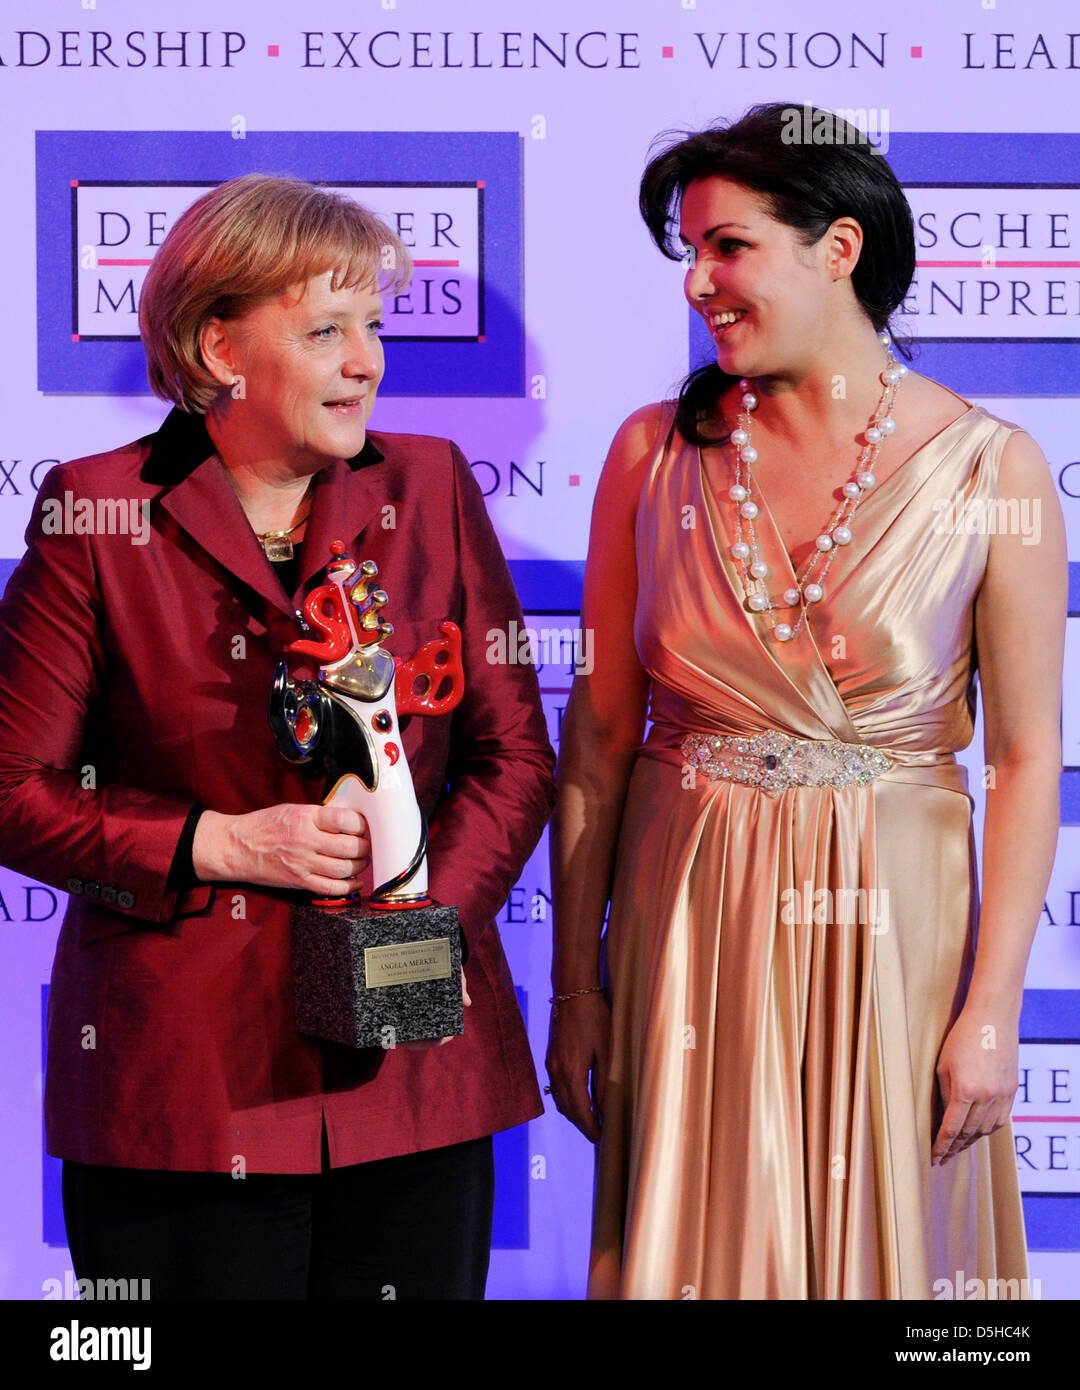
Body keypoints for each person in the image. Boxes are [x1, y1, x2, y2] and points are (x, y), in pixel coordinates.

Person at [0, 174, 555, 1299]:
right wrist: (220, 842)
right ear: (219, 348)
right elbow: (16, 789)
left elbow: (514, 758)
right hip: (187, 1091)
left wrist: (415, 914)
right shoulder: (96, 516)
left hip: (412, 1074)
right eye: (326, 330)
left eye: (374, 326)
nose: (370, 361)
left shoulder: (433, 484)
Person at [546, 104, 1065, 1300]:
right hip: (691, 926)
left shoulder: (996, 467)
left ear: (838, 249)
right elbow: (600, 746)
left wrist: (994, 1012)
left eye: (728, 247)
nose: (699, 284)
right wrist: (579, 986)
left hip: (898, 933)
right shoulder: (649, 456)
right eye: (688, 254)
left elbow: (1029, 763)